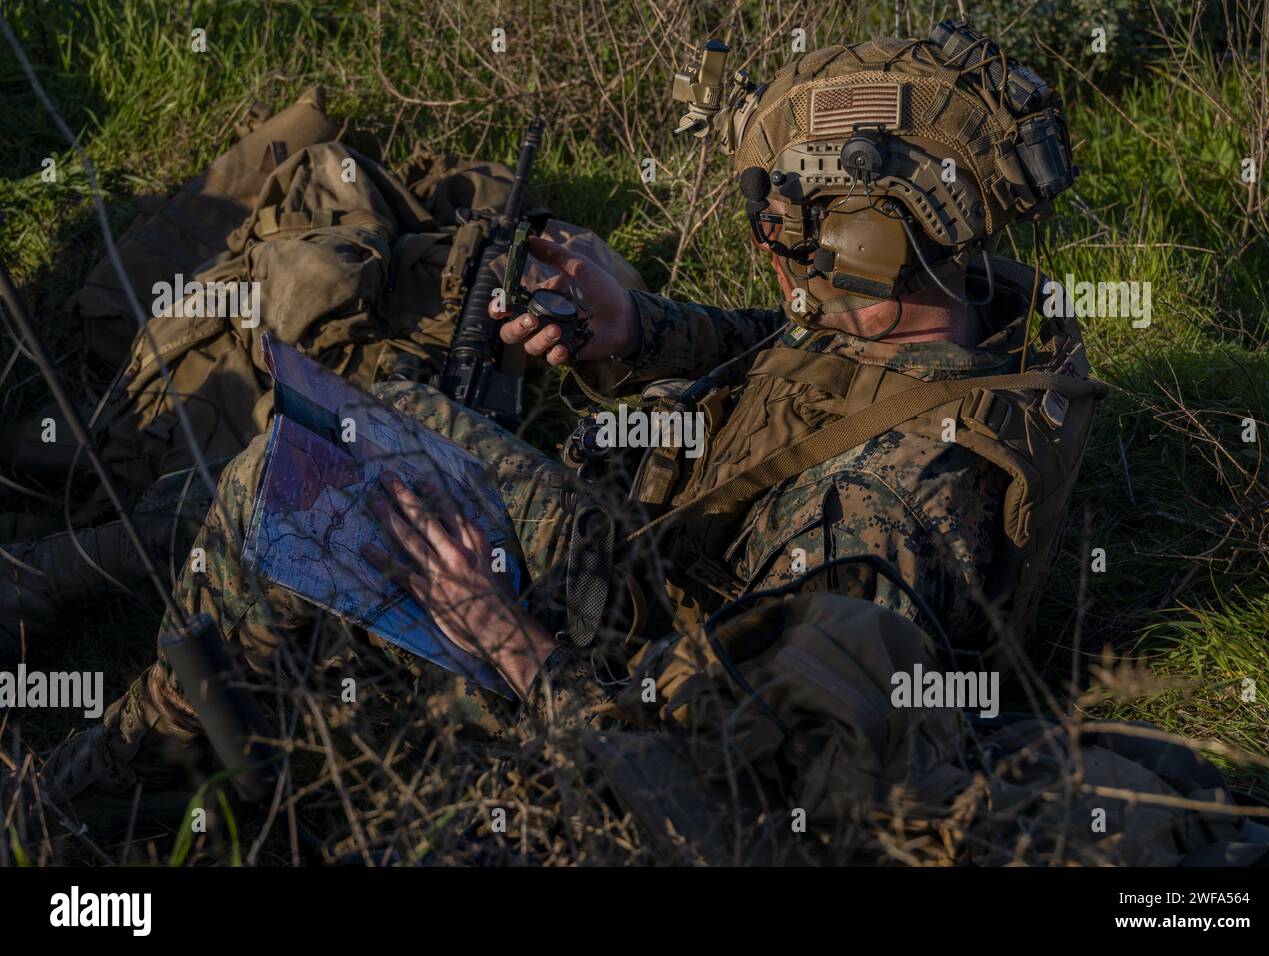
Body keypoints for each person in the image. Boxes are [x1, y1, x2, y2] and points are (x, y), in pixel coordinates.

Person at [27, 29, 1109, 845]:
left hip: (604, 690)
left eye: (787, 225)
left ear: (869, 239)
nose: (771, 247)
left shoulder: (887, 510)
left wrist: (505, 638)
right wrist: (644, 329)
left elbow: (742, 809)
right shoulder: (960, 313)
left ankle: (79, 801)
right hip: (644, 572)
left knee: (309, 473)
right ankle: (86, 606)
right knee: (349, 427)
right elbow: (801, 360)